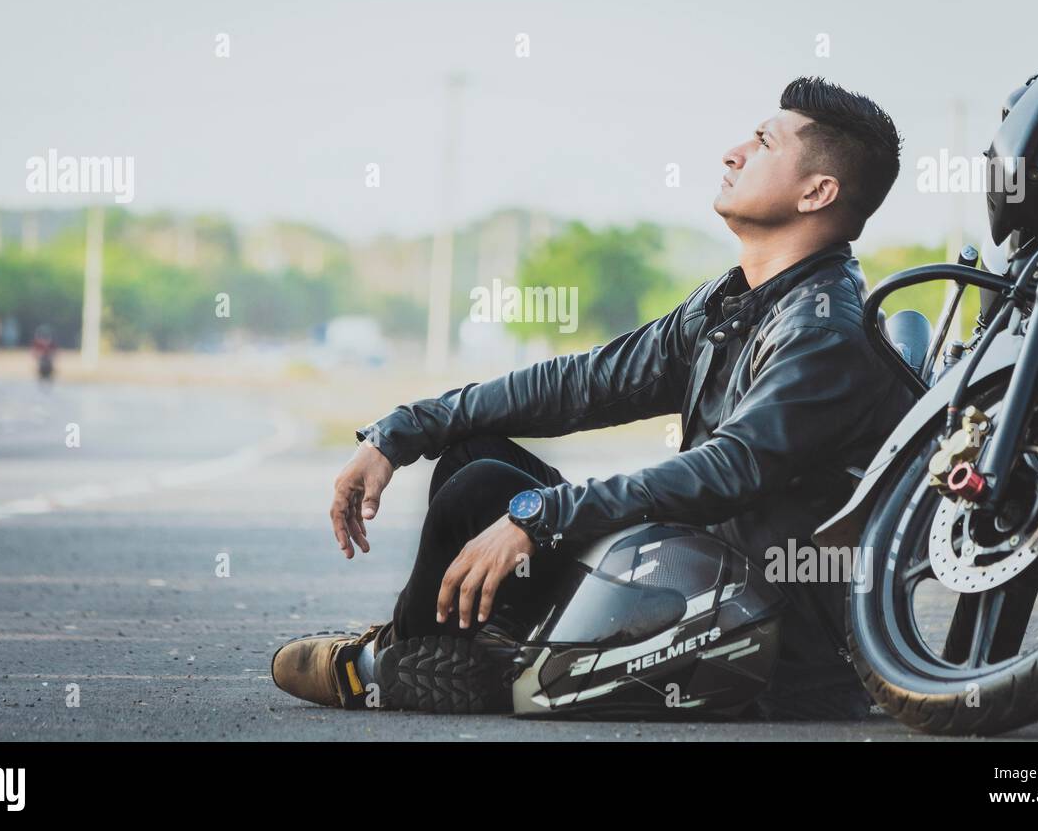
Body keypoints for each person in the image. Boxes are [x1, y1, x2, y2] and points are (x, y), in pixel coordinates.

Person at [273, 76, 917, 718]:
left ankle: (396, 666)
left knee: (485, 493)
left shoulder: (823, 332)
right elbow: (581, 384)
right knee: (474, 454)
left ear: (817, 191)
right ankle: (449, 658)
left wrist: (542, 515)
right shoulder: (737, 303)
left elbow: (731, 468)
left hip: (754, 631)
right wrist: (406, 430)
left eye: (762, 144)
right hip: (684, 570)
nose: (732, 153)